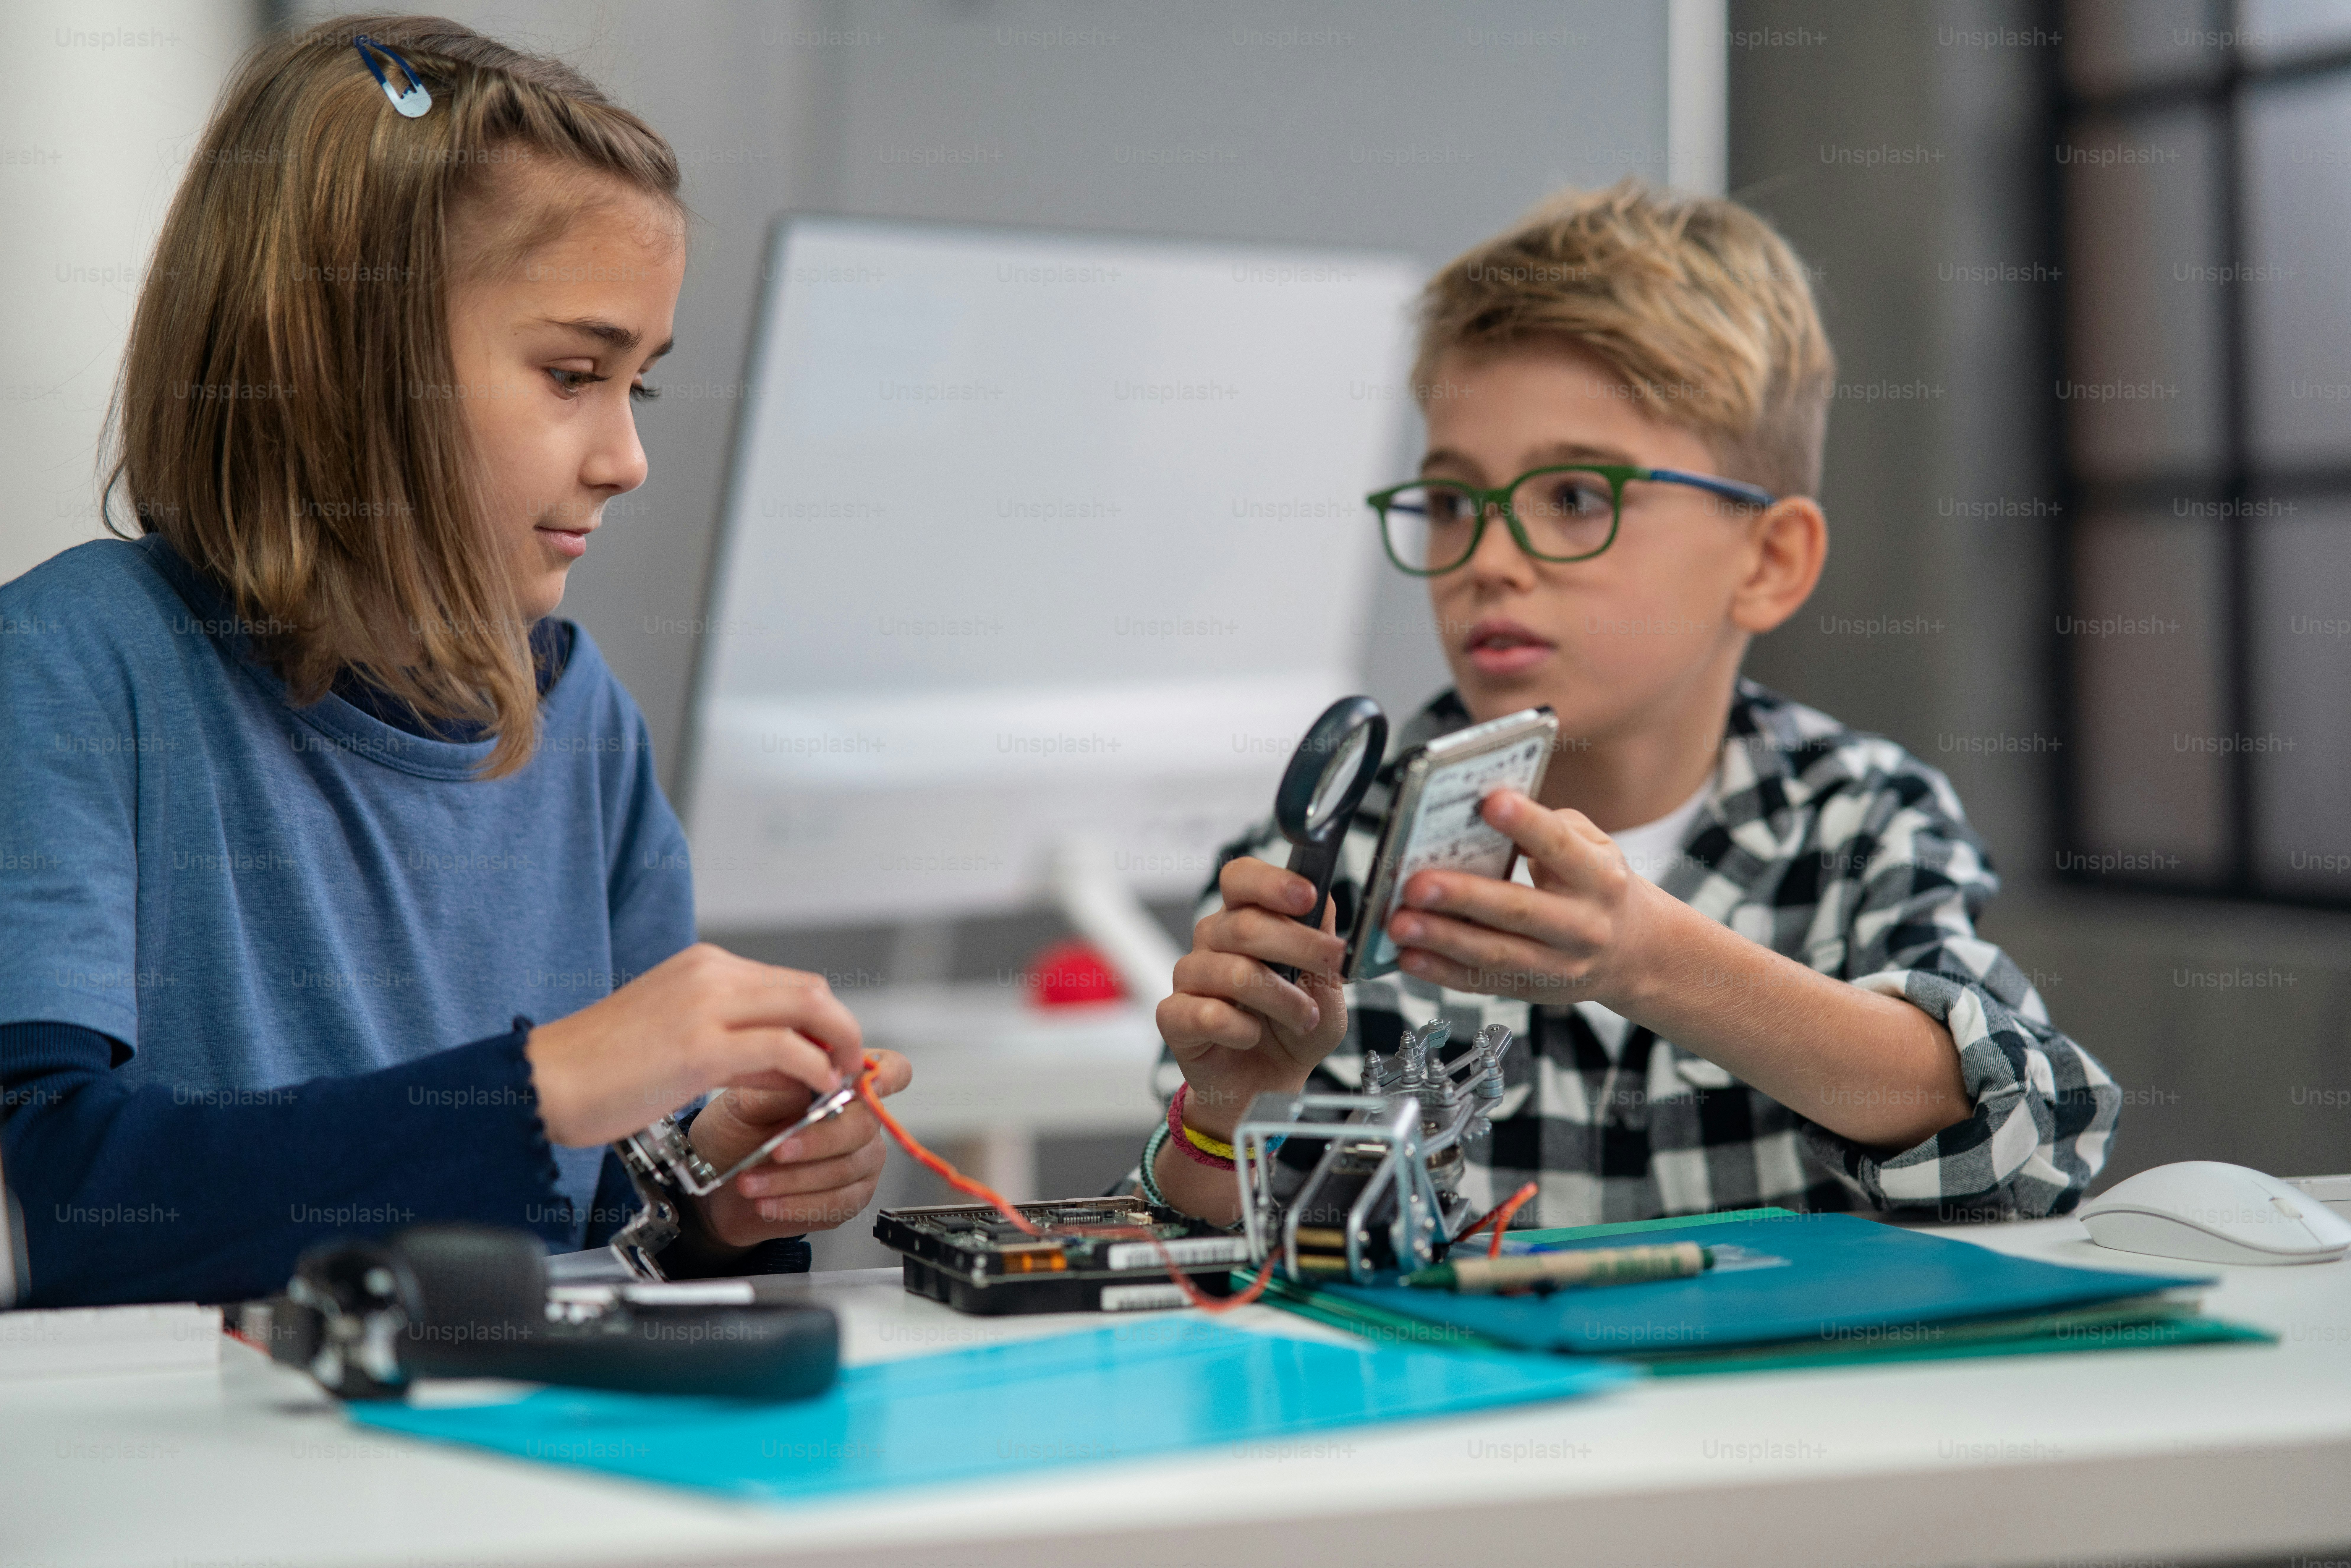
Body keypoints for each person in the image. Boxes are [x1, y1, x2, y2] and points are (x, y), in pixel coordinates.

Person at [0, 16, 909, 1308]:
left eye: (636, 387)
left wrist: (715, 1190)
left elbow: (603, 1217)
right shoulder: (73, 665)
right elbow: (63, 1201)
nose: (625, 459)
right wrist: (547, 1087)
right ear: (337, 359)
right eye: (570, 374)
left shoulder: (583, 716)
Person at [1144, 182, 2119, 1230]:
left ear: (1770, 560)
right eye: (1453, 504)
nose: (1492, 560)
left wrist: (1654, 959)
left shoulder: (1861, 817)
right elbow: (1223, 1263)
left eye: (1575, 499)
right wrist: (1233, 1110)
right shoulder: (1327, 874)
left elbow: (2036, 1147)